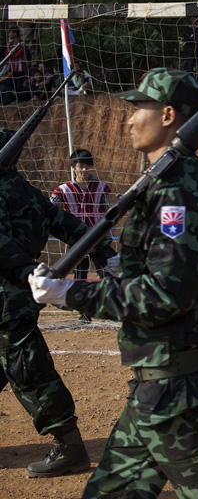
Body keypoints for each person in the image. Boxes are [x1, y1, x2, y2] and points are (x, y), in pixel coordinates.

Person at [28, 70, 198, 494]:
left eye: (139, 108)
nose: (129, 119)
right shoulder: (169, 181)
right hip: (159, 381)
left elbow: (166, 294)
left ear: (169, 115)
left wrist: (73, 293)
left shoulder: (177, 191)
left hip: (178, 388)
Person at [0, 127, 114, 478]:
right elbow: (73, 227)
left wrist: (27, 273)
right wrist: (105, 253)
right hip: (20, 293)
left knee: (29, 372)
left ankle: (69, 445)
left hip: (8, 299)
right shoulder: (27, 192)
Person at [51, 148, 113, 293]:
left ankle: (109, 307)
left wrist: (109, 233)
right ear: (73, 168)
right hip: (76, 238)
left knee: (105, 272)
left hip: (98, 237)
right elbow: (51, 208)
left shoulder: (102, 187)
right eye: (80, 166)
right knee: (80, 274)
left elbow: (108, 211)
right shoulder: (62, 190)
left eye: (87, 166)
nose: (84, 170)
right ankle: (84, 314)